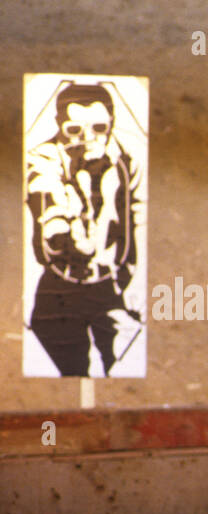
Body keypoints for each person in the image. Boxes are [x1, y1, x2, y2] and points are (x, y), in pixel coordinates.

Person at [26, 82, 143, 377]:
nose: (88, 139)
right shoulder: (43, 157)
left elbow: (142, 214)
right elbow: (44, 187)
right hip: (61, 283)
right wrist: (59, 225)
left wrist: (140, 278)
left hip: (115, 281)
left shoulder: (130, 159)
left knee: (126, 360)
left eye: (99, 128)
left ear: (112, 122)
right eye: (74, 130)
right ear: (59, 124)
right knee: (63, 361)